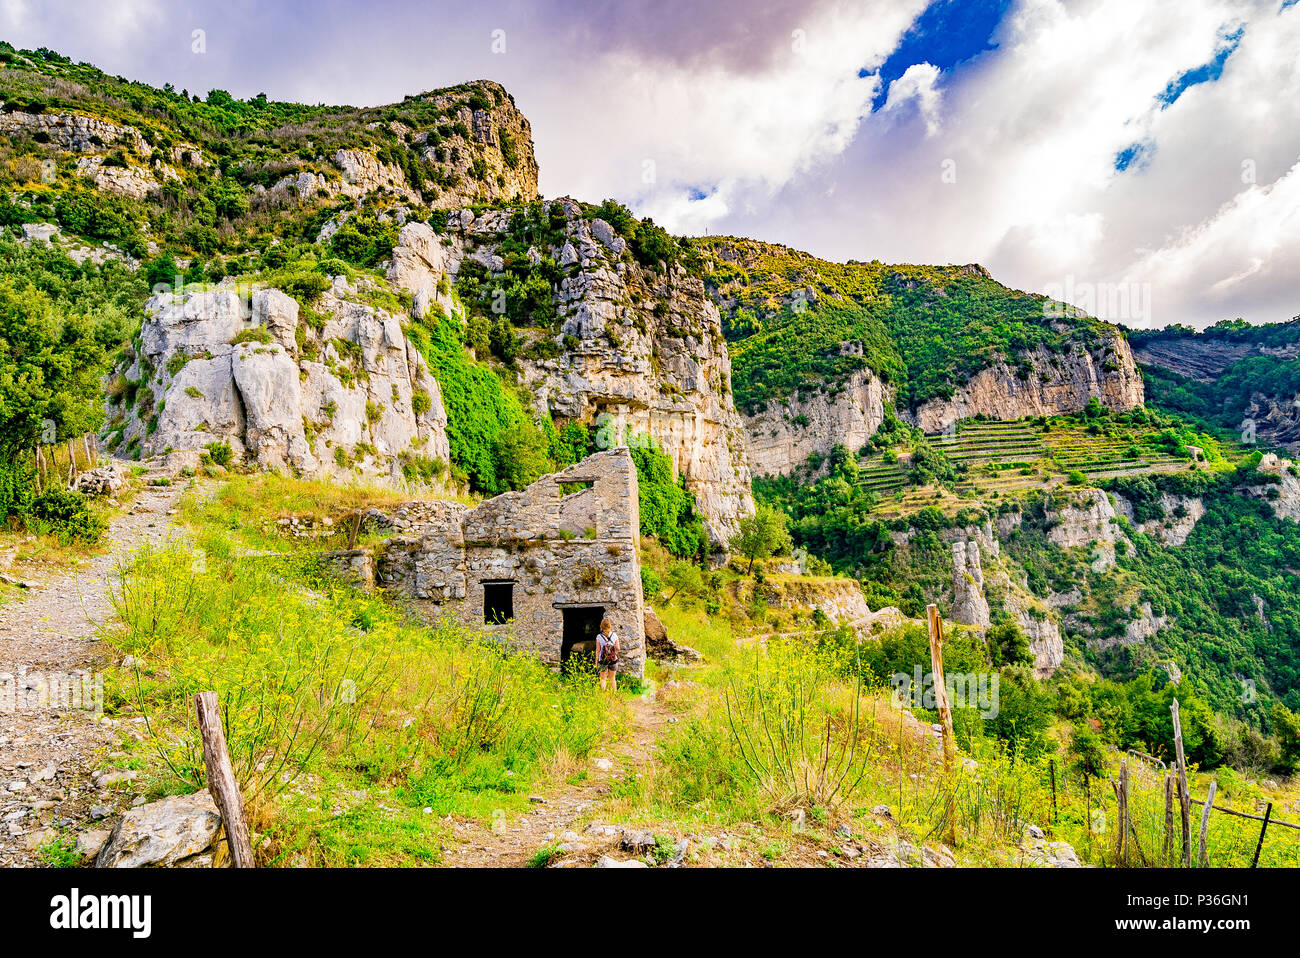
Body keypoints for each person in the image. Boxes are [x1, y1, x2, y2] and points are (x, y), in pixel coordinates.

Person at [595, 616, 619, 691]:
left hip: (603, 660)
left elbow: (597, 650)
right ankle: (615, 694)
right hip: (613, 659)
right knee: (612, 678)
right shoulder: (614, 635)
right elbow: (618, 649)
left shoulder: (599, 637)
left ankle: (603, 695)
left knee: (603, 678)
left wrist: (596, 661)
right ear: (610, 626)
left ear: (601, 626)